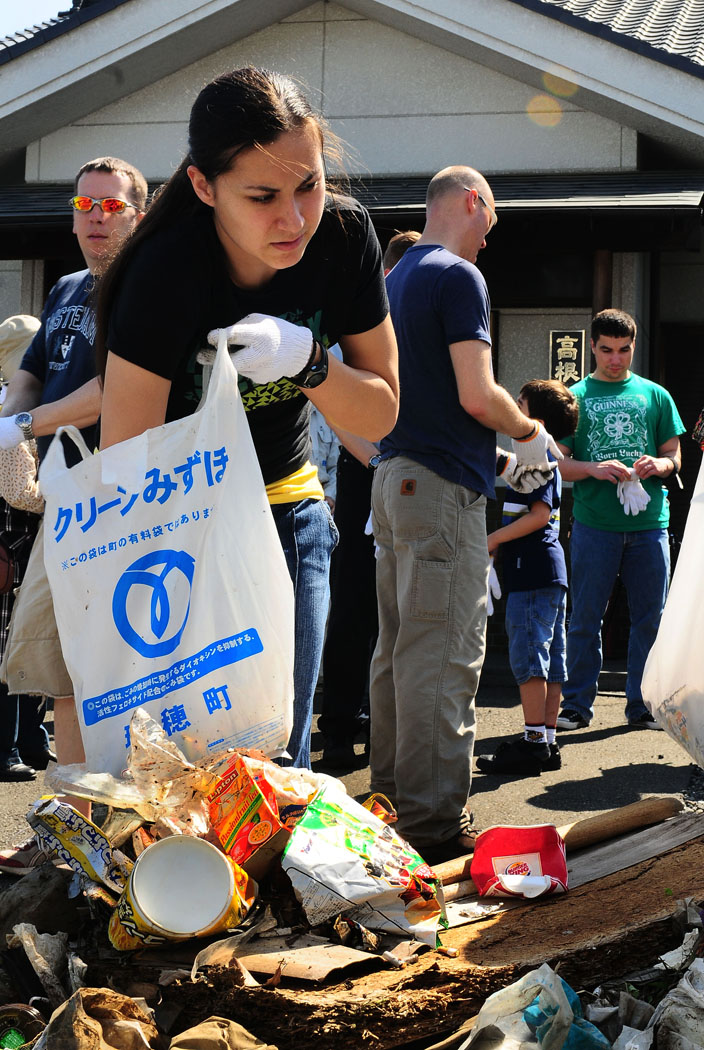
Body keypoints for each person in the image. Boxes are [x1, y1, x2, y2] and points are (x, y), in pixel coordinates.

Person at [95, 67, 398, 772]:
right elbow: (126, 459)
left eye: (309, 186)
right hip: (177, 526)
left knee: (276, 758)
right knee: (187, 767)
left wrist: (308, 360)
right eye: (262, 197)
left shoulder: (346, 237)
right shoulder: (166, 271)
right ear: (204, 187)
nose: (293, 218)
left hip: (286, 504)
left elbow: (381, 414)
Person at [368, 166, 562, 866]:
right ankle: (432, 823)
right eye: (490, 225)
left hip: (394, 478)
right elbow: (478, 395)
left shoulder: (393, 279)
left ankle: (390, 804)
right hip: (440, 490)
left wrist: (496, 459)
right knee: (443, 657)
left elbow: (422, 396)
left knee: (394, 653)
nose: (487, 242)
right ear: (471, 203)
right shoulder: (457, 276)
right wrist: (526, 431)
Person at [0, 157, 146, 875]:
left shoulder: (144, 285)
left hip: (126, 496)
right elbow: (32, 367)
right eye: (86, 203)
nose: (96, 215)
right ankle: (68, 833)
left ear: (138, 215)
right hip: (66, 496)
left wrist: (24, 422)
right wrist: (9, 415)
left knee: (115, 666)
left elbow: (114, 387)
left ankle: (119, 831)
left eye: (113, 206)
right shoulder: (62, 288)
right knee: (63, 670)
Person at [556, 308, 685, 732]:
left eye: (624, 350)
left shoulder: (655, 394)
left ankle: (643, 704)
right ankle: (576, 705)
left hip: (650, 523)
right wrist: (594, 468)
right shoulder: (574, 396)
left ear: (634, 347)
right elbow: (558, 464)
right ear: (592, 346)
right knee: (585, 616)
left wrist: (659, 466)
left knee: (651, 618)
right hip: (595, 523)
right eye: (607, 350)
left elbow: (674, 456)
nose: (616, 359)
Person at [318, 232, 420, 770]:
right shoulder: (352, 328)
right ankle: (337, 725)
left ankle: (381, 723)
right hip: (364, 476)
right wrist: (379, 463)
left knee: (399, 608)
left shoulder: (421, 328)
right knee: (355, 604)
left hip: (412, 476)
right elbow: (339, 417)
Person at [476, 379, 579, 777]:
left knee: (530, 658)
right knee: (550, 660)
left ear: (533, 418)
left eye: (518, 404)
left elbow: (538, 516)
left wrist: (491, 540)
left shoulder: (539, 457)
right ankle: (546, 742)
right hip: (546, 570)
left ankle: (533, 743)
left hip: (533, 570)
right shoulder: (537, 456)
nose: (512, 410)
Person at [0, 314, 53, 782]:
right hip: (11, 548)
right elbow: (21, 492)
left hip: (13, 548)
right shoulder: (11, 416)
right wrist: (64, 493)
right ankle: (9, 749)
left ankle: (31, 743)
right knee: (10, 652)